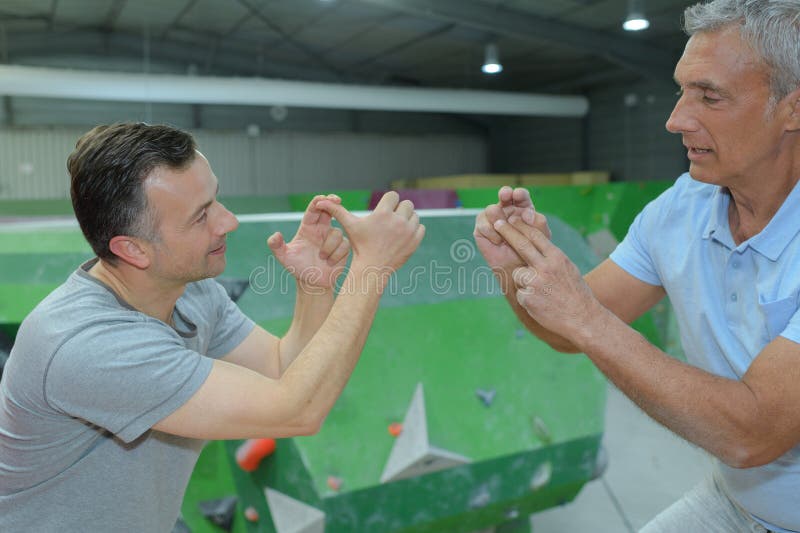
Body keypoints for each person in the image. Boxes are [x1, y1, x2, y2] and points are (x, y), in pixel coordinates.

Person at [0, 122, 425, 531]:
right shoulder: (88, 345)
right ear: (133, 249)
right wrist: (372, 267)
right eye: (201, 217)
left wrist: (314, 288)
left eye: (216, 200)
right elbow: (297, 409)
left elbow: (281, 370)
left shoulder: (189, 292)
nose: (228, 222)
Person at [474, 1, 800, 532]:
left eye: (710, 96)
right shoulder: (682, 207)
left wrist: (584, 317)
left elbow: (752, 433)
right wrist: (519, 270)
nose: (676, 119)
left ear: (793, 109)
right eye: (681, 90)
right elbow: (567, 331)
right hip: (737, 504)